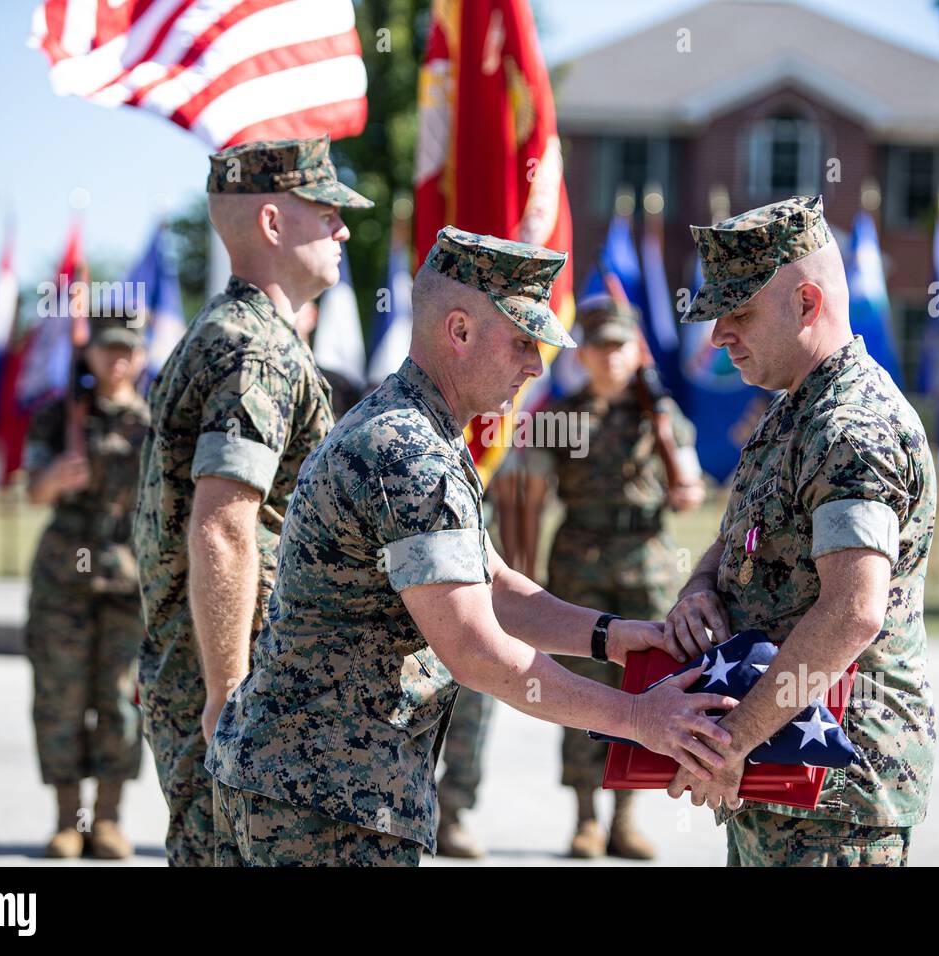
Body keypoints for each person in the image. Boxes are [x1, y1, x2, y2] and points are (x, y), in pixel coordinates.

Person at [207, 226, 738, 866]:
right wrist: (639, 718)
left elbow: (488, 584)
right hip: (321, 798)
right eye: (521, 341)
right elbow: (477, 652)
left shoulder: (423, 431)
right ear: (458, 331)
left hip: (319, 781)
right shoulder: (409, 453)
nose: (536, 365)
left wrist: (610, 636)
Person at [664, 195, 937, 867]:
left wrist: (730, 743)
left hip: (837, 791)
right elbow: (736, 544)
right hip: (777, 772)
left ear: (807, 303)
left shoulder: (853, 428)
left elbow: (852, 611)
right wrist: (699, 589)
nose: (719, 335)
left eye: (739, 313)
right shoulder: (793, 416)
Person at [134, 135, 372, 866]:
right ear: (272, 224)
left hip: (209, 667)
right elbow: (224, 527)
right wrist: (231, 693)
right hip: (247, 686)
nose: (343, 228)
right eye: (325, 210)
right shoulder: (256, 351)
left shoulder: (227, 330)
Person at [517, 295, 705, 859]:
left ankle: (625, 817)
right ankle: (585, 819)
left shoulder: (661, 412)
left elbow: (690, 490)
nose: (609, 357)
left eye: (619, 345)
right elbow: (527, 492)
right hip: (578, 561)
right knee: (581, 689)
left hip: (645, 561)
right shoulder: (558, 417)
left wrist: (681, 478)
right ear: (585, 354)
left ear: (634, 350)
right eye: (598, 346)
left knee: (648, 689)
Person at [23, 315, 150, 859]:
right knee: (61, 700)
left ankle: (107, 820)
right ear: (90, 356)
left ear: (140, 357)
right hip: (63, 583)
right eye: (107, 350)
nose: (116, 360)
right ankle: (67, 820)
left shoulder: (154, 423)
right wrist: (54, 478)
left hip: (126, 584)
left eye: (126, 351)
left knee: (120, 704)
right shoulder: (58, 415)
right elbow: (31, 490)